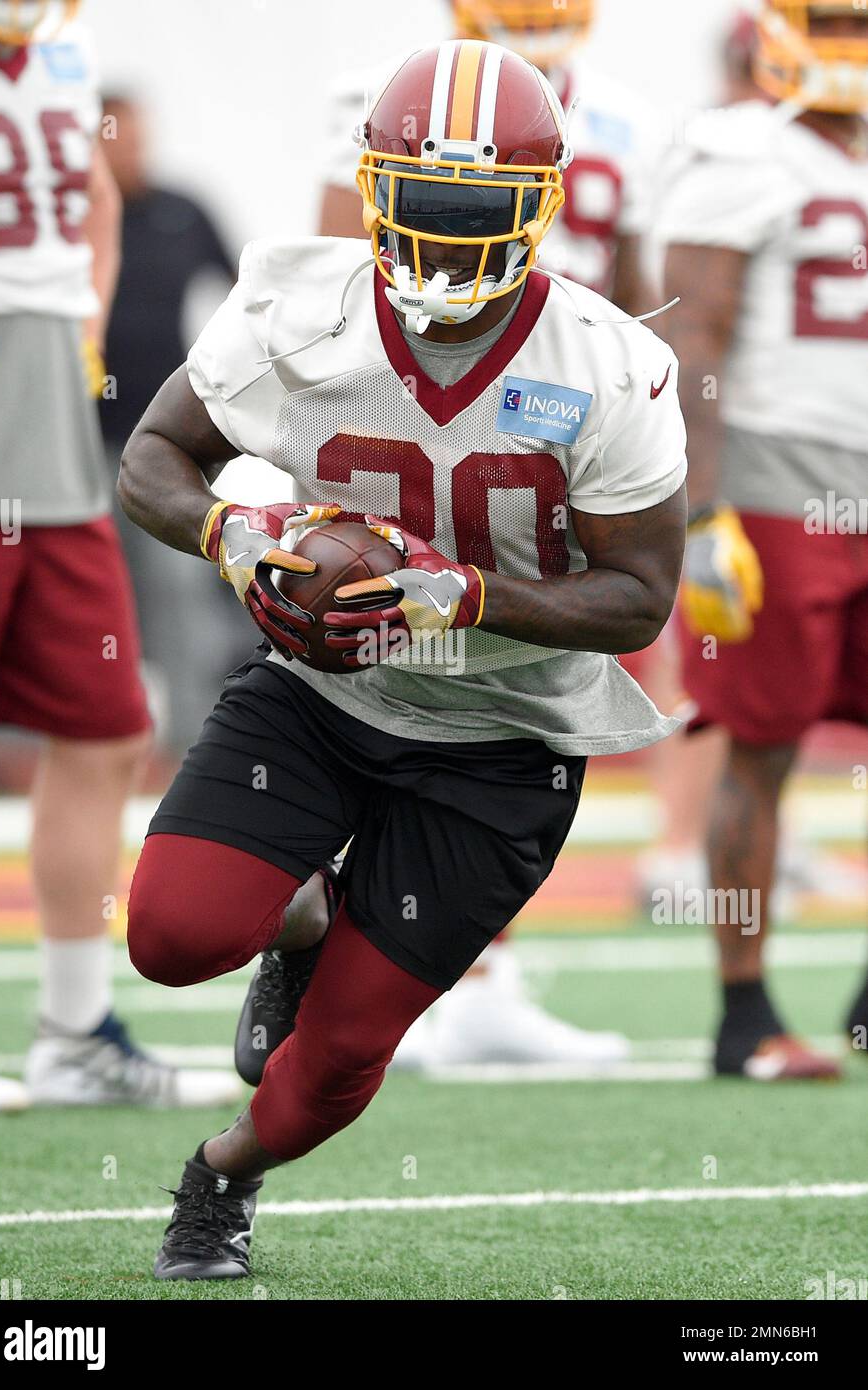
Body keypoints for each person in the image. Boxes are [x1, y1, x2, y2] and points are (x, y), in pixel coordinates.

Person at [119, 40, 688, 1279]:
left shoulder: (605, 364)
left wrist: (461, 593)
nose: (442, 240)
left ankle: (217, 1180)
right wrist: (237, 529)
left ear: (538, 208)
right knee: (167, 934)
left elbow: (641, 597)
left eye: (475, 213)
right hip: (324, 688)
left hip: (501, 734)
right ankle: (302, 912)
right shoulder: (297, 299)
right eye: (422, 203)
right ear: (371, 185)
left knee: (322, 1066)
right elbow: (154, 459)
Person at [308, 0, 659, 1069]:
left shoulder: (626, 121)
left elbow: (636, 302)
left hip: (562, 433)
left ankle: (475, 964)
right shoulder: (384, 94)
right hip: (417, 414)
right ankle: (347, 935)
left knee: (509, 692)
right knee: (374, 672)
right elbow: (333, 279)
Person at [0, 0, 238, 1111]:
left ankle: (72, 1030)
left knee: (106, 724)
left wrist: (83, 321)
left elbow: (100, 201)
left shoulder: (61, 49)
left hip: (55, 445)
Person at [661, 0, 868, 1080]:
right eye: (827, 20)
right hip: (778, 474)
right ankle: (741, 1010)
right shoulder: (739, 149)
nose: (845, 44)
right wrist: (700, 508)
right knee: (764, 739)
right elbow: (692, 332)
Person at [98, 94, 241, 751]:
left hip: (163, 444)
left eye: (135, 137)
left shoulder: (182, 213)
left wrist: (227, 395)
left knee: (178, 593)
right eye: (115, 139)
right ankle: (103, 741)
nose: (130, 152)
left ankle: (192, 745)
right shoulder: (80, 215)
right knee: (90, 600)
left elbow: (250, 298)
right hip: (78, 441)